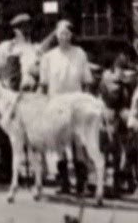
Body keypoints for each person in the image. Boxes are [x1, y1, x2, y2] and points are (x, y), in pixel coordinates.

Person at [39, 19, 95, 194]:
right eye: (61, 34)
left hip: (76, 103)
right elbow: (43, 84)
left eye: (67, 34)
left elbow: (87, 81)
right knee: (59, 144)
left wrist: (86, 101)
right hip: (56, 103)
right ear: (56, 36)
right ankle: (64, 182)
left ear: (71, 35)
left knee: (78, 143)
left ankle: (81, 182)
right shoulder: (48, 57)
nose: (64, 37)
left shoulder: (80, 54)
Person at [0, 13, 36, 89]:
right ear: (14, 30)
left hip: (31, 92)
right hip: (8, 91)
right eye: (20, 27)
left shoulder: (35, 49)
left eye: (27, 26)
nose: (25, 29)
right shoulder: (4, 47)